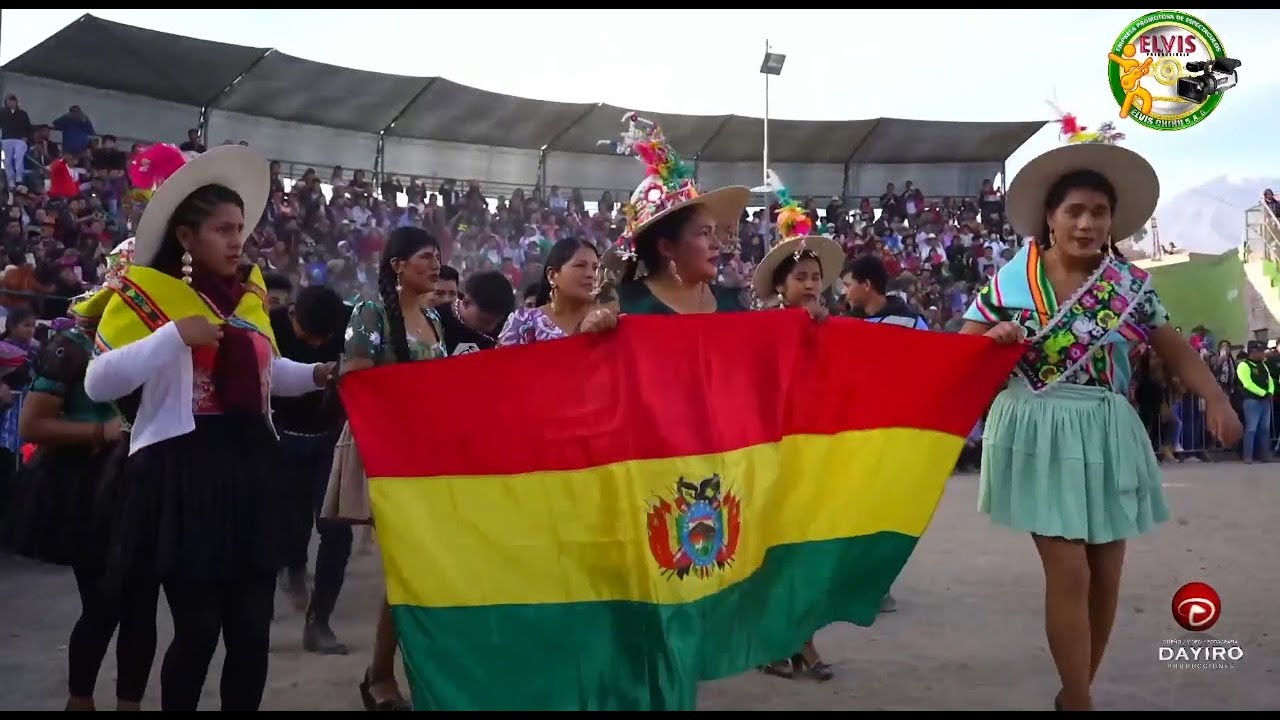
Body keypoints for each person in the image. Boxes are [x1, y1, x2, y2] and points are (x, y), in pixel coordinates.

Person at [958, 118, 1242, 711]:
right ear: (1050, 218)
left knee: (1106, 576)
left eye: (1099, 212)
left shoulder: (1131, 288)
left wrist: (1216, 398)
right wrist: (994, 337)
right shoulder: (1013, 280)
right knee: (1070, 574)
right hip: (1035, 426)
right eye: (1075, 212)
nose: (1087, 224)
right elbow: (963, 347)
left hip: (1107, 431)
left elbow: (1176, 351)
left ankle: (1074, 691)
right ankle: (1082, 701)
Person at [80, 146, 334, 711]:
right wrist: (174, 336)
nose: (236, 240)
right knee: (197, 631)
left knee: (251, 634)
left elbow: (271, 375)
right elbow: (99, 382)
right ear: (187, 237)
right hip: (184, 476)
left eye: (240, 228)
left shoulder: (250, 297)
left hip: (252, 471)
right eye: (222, 229)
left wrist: (316, 374)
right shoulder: (144, 295)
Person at [1, 240, 158, 710]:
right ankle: (80, 700)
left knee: (143, 608)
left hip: (147, 486)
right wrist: (102, 431)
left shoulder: (162, 341)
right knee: (104, 604)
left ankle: (128, 703)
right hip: (89, 493)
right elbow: (34, 424)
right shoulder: (71, 344)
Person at [321, 226, 445, 711]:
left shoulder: (434, 317)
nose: (435, 265)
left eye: (437, 257)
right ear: (396, 265)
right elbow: (354, 378)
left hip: (428, 452)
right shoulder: (369, 313)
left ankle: (385, 673)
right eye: (424, 258)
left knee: (414, 569)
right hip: (387, 451)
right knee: (406, 569)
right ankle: (381, 676)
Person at [747, 178, 843, 682]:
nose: (810, 284)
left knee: (805, 548)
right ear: (781, 286)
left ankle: (796, 640)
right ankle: (785, 643)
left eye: (816, 277)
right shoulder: (763, 329)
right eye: (801, 276)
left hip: (813, 453)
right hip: (771, 451)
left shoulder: (833, 330)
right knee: (774, 549)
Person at [271, 285, 353, 654]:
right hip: (278, 437)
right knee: (287, 523)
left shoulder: (350, 324)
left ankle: (319, 621)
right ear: (292, 316)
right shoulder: (269, 327)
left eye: (327, 339)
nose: (320, 344)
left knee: (336, 528)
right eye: (311, 337)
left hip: (329, 440)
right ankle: (292, 566)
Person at [603, 113, 751, 316]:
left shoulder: (734, 305)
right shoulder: (623, 309)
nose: (718, 244)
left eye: (715, 232)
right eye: (704, 233)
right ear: (667, 247)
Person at [499, 237, 612, 345]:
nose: (591, 274)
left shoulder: (609, 322)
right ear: (552, 275)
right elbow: (502, 364)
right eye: (580, 266)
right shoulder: (521, 323)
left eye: (596, 268)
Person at [436, 269, 515, 356]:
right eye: (485, 321)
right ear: (466, 302)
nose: (491, 328)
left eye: (497, 321)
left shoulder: (504, 329)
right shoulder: (436, 320)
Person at [840, 255, 930, 330]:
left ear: (867, 285)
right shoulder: (845, 324)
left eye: (848, 285)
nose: (843, 292)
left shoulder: (912, 323)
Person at [1235, 340, 1273, 463]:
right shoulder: (1243, 365)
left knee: (1265, 429)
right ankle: (1248, 456)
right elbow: (1247, 383)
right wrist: (1263, 392)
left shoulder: (1263, 365)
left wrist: (1270, 391)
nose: (1262, 354)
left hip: (1265, 401)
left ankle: (1265, 455)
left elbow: (1269, 379)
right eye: (1260, 351)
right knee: (1251, 429)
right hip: (1251, 400)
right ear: (1252, 352)